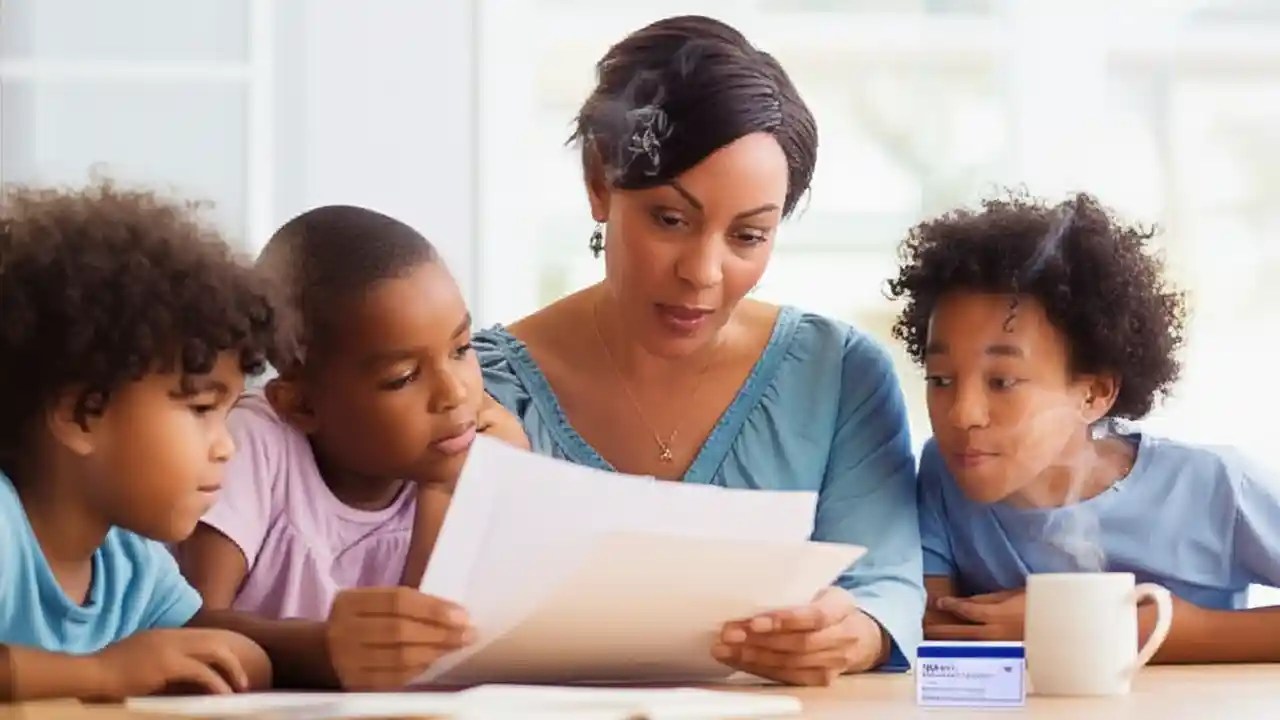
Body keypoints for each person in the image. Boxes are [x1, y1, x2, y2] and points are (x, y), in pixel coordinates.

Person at [474, 15, 923, 685]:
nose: (703, 273)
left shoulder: (841, 376)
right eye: (671, 220)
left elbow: (885, 585)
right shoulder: (477, 386)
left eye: (747, 237)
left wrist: (847, 637)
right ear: (600, 182)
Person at [887, 192, 1280, 662]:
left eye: (1003, 381)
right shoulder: (943, 473)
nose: (962, 414)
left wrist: (1129, 629)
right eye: (941, 379)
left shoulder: (1213, 485)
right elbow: (932, 627)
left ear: (1093, 394)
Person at [177, 205, 528, 690]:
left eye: (461, 349)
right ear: (300, 406)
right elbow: (187, 625)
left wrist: (449, 497)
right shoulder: (252, 446)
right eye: (403, 377)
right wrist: (324, 648)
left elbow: (427, 662)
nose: (455, 392)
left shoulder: (465, 459)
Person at [0, 182, 275, 701]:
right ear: (81, 415)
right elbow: (123, 669)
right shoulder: (5, 527)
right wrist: (99, 675)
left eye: (229, 413)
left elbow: (214, 647)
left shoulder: (130, 561)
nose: (226, 447)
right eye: (200, 409)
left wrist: (230, 660)